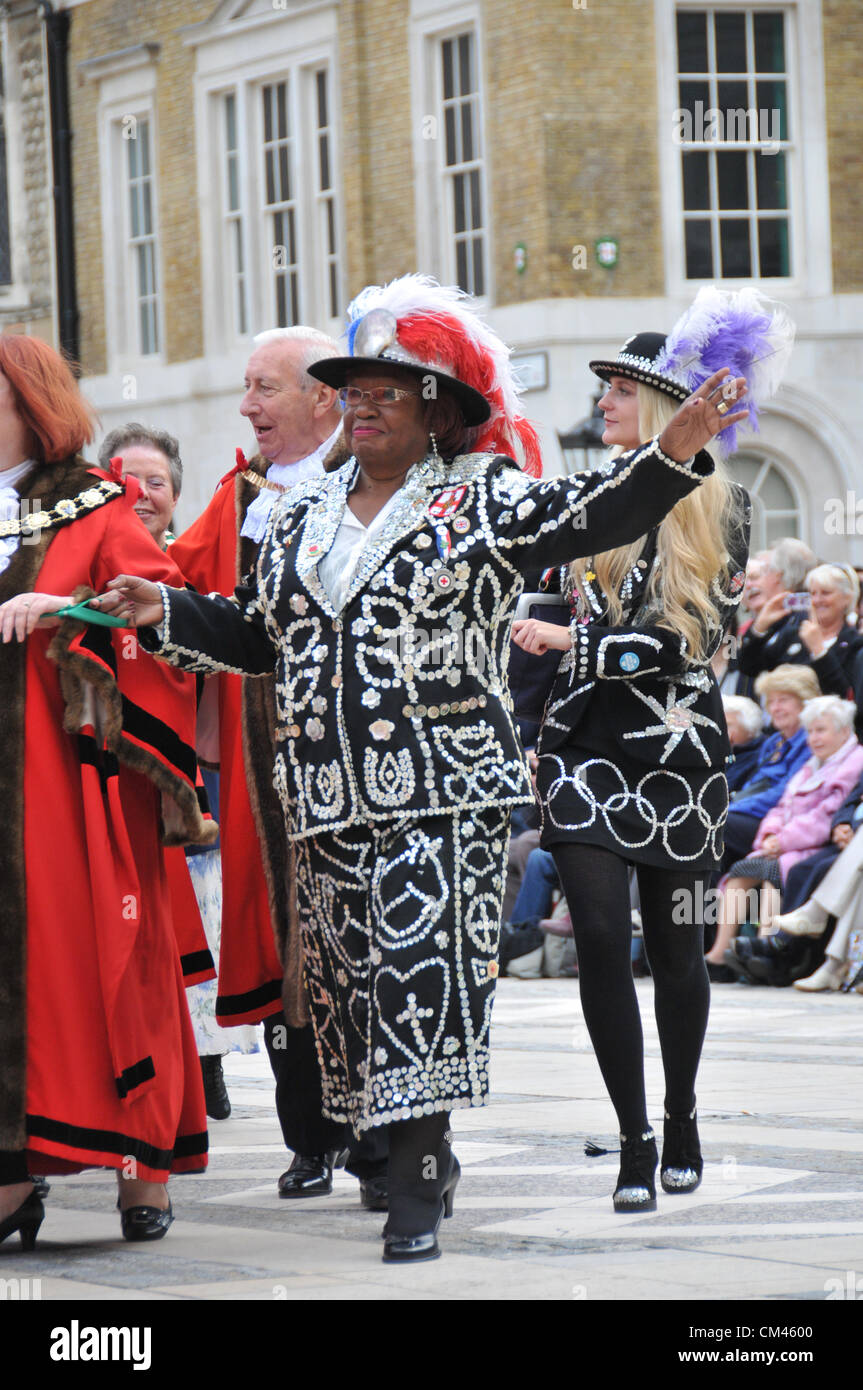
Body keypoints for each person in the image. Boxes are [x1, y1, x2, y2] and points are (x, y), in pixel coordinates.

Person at [93, 272, 747, 1262]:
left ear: (433, 410)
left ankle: (416, 1171)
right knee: (354, 996)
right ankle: (412, 1156)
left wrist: (673, 448)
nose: (358, 407)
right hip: (321, 797)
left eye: (381, 393)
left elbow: (591, 513)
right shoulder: (300, 518)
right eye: (348, 393)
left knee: (419, 977)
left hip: (445, 791)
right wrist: (167, 614)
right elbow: (261, 638)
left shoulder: (478, 504)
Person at [513, 285, 795, 1213]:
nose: (601, 404)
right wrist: (532, 661)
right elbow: (551, 613)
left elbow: (698, 641)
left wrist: (574, 642)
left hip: (677, 763)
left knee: (675, 951)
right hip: (582, 749)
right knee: (597, 937)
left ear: (663, 403)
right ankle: (632, 1134)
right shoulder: (590, 496)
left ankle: (680, 1114)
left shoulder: (730, 507)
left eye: (619, 390)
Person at [0, 336, 213, 1249]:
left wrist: (71, 616)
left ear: (28, 404)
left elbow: (162, 623)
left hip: (71, 791)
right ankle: (13, 1175)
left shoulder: (98, 509)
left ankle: (143, 1166)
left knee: (109, 962)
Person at [166, 329, 387, 1204]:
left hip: (363, 751)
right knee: (283, 935)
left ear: (323, 398)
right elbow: (174, 582)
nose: (248, 407)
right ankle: (310, 1133)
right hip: (265, 762)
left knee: (360, 934)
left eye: (264, 388)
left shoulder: (372, 482)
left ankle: (384, 1137)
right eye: (246, 388)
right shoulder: (240, 495)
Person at [100, 423, 261, 1119]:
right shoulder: (81, 566)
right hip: (115, 770)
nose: (141, 496)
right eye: (124, 483)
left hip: (201, 769)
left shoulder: (193, 568)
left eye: (156, 483)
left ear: (176, 494)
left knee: (208, 914)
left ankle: (208, 1062)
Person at [709, 696, 863, 971]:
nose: (813, 738)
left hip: (813, 844)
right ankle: (719, 955)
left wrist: (784, 840)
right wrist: (770, 834)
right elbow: (782, 806)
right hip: (787, 843)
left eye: (821, 730)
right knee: (740, 873)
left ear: (843, 731)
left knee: (773, 872)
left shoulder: (854, 760)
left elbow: (827, 814)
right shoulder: (813, 764)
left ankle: (767, 952)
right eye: (811, 731)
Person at [720, 665, 818, 871]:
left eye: (783, 700)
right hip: (750, 815)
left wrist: (732, 807)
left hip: (779, 822)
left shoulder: (811, 741)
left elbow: (784, 793)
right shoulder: (773, 742)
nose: (775, 708)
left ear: (804, 702)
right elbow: (754, 784)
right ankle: (701, 901)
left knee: (718, 825)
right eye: (771, 701)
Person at [735, 537, 818, 682]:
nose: (750, 585)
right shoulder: (772, 617)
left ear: (779, 575)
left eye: (764, 571)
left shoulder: (805, 616)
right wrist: (758, 629)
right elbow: (747, 666)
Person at [722, 694, 765, 792]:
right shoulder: (718, 752)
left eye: (728, 725)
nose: (720, 731)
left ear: (750, 729)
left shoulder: (759, 756)